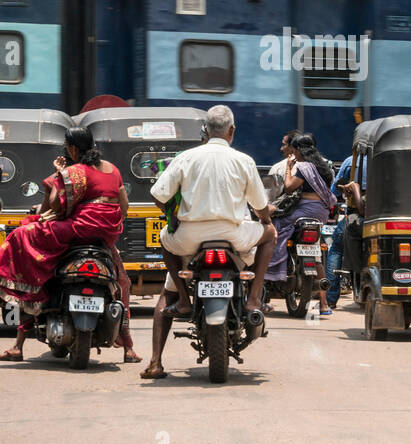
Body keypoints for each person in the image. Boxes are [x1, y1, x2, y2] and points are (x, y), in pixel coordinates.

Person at [140, 105, 276, 379]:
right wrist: (265, 220)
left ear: (206, 130)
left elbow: (159, 195)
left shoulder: (187, 158)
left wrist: (174, 216)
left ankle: (161, 350)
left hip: (190, 239)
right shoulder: (243, 160)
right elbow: (260, 204)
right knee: (270, 234)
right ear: (231, 131)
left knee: (165, 244)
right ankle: (252, 298)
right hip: (234, 236)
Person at [0, 127, 138, 362]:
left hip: (76, 232)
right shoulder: (113, 169)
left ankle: (19, 345)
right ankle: (128, 348)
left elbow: (55, 208)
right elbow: (124, 206)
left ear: (71, 149)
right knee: (122, 282)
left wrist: (59, 174)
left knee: (21, 239)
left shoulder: (73, 172)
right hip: (105, 237)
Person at [268, 132, 338, 316]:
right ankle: (323, 304)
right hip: (321, 213)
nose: (293, 154)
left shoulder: (304, 167)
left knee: (276, 224)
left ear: (299, 150)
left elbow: (290, 186)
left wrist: (289, 168)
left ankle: (276, 268)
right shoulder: (325, 167)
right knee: (316, 253)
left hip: (304, 210)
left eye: (295, 150)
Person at [323, 153, 354, 309]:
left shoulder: (351, 161)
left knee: (336, 248)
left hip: (356, 217)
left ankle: (330, 298)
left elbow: (334, 191)